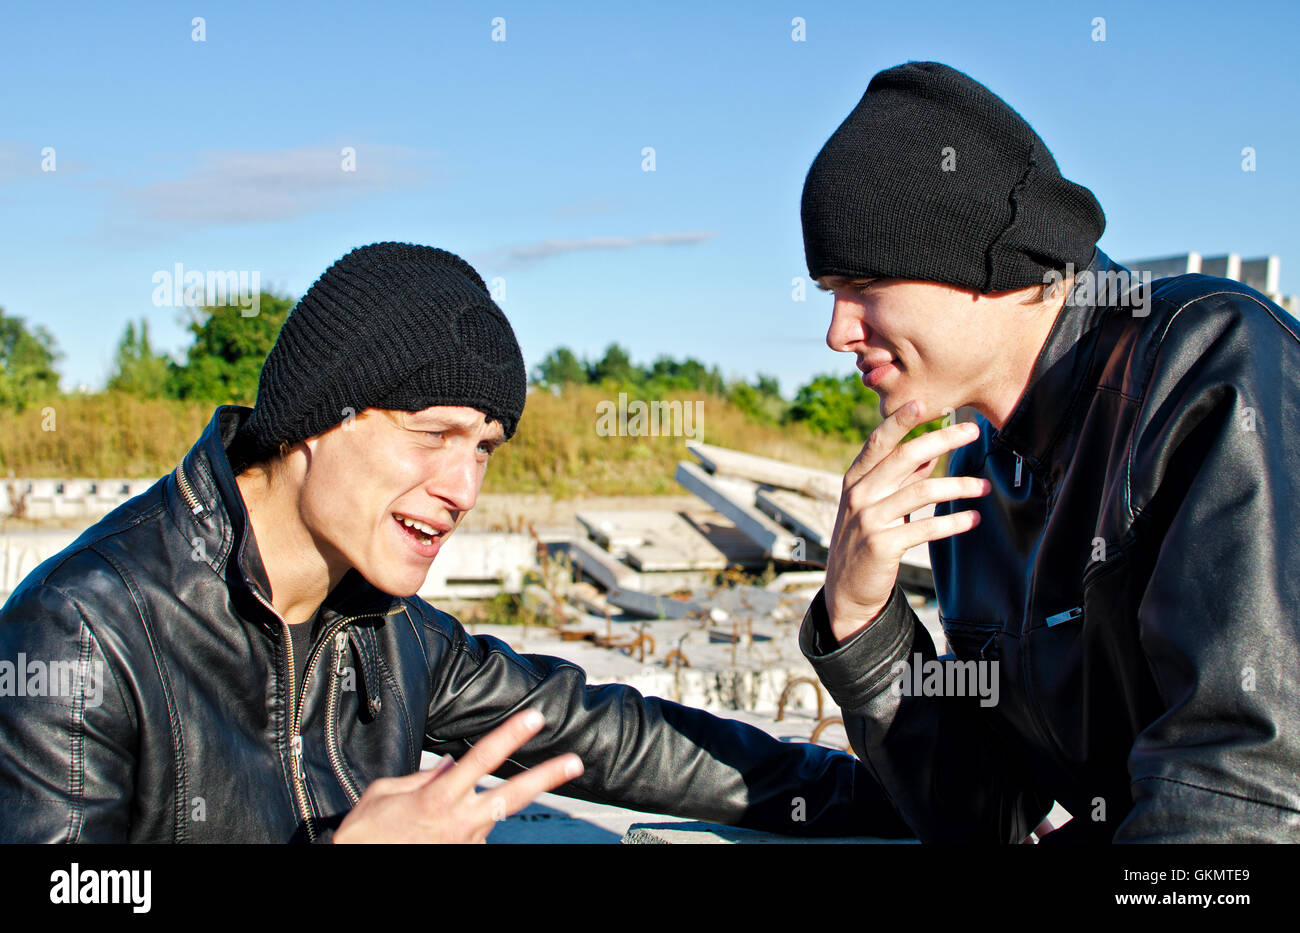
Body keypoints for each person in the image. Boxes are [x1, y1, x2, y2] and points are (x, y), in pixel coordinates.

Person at [0, 242, 910, 843]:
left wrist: (902, 801)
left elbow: (610, 733)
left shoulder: (383, 625)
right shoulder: (82, 633)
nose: (464, 487)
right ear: (317, 418)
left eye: (484, 448)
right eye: (431, 434)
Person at [796, 61, 1300, 843]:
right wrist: (863, 621)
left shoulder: (1208, 364)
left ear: (984, 260)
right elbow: (987, 815)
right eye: (829, 289)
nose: (837, 331)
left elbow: (1243, 799)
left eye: (863, 280)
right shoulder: (975, 475)